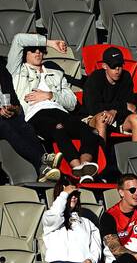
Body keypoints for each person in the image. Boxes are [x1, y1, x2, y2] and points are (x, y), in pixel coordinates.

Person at [9, 35, 93, 178]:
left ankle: (85, 168)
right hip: (35, 113)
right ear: (25, 54)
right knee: (57, 128)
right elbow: (18, 39)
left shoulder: (56, 73)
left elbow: (72, 103)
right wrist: (50, 43)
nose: (38, 52)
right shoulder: (17, 70)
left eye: (41, 50)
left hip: (59, 110)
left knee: (90, 132)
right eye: (32, 50)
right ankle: (76, 167)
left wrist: (50, 95)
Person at [42, 179, 112, 263]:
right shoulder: (50, 218)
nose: (73, 198)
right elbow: (56, 214)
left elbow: (95, 247)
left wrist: (91, 259)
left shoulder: (87, 222)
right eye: (70, 195)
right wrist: (64, 194)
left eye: (76, 195)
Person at [80, 46, 137, 150]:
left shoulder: (126, 77)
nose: (117, 70)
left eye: (119, 65)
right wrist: (117, 108)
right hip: (92, 119)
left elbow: (132, 108)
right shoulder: (95, 78)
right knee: (103, 117)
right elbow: (92, 108)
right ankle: (101, 162)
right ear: (105, 66)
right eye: (113, 66)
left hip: (118, 119)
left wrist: (114, 111)